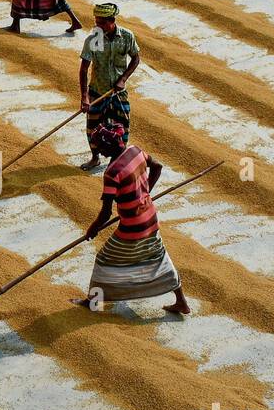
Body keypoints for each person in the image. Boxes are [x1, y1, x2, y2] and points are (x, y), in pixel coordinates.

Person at [76, 122, 190, 315]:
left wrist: (92, 229)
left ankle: (93, 302)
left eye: (101, 148)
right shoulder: (135, 151)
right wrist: (145, 195)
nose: (101, 153)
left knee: (104, 259)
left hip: (132, 227)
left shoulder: (112, 173)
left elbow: (106, 212)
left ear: (110, 146)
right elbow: (157, 167)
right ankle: (181, 301)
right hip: (150, 218)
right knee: (158, 255)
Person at [78, 3, 139, 172]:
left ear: (112, 21)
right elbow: (84, 69)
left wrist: (123, 78)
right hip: (97, 90)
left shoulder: (127, 36)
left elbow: (135, 59)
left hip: (118, 93)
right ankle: (95, 158)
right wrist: (84, 97)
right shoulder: (93, 39)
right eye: (96, 22)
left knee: (122, 125)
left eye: (102, 23)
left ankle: (118, 159)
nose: (98, 26)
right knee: (93, 127)